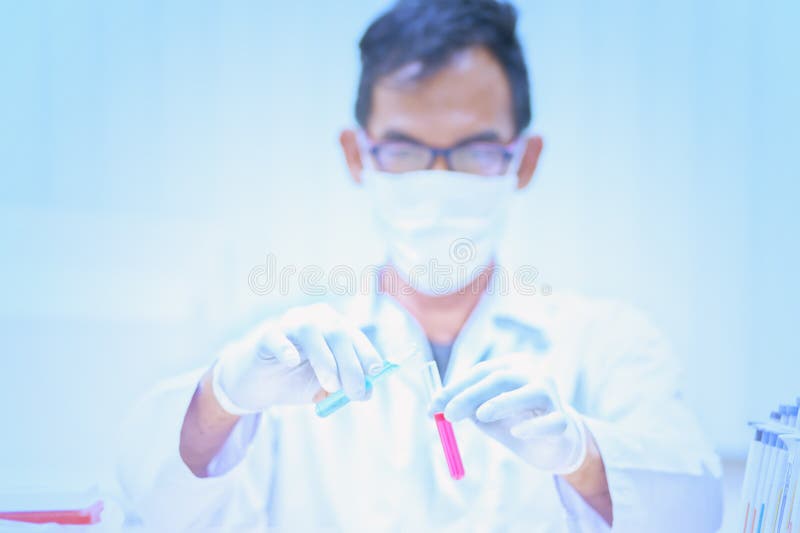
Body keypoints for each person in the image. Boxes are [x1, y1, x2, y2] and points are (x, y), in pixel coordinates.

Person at [116, 1, 723, 531]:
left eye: (476, 149)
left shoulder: (608, 345)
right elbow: (154, 510)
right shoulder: (284, 356)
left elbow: (695, 510)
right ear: (358, 154)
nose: (438, 182)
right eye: (404, 148)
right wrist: (219, 400)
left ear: (525, 159)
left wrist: (583, 454)